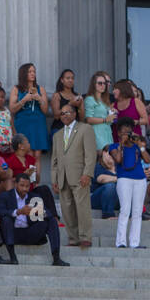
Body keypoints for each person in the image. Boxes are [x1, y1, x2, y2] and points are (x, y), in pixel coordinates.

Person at [0, 171, 69, 266]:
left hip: (30, 233)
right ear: (15, 184)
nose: (25, 189)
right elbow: (0, 211)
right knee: (6, 219)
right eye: (22, 185)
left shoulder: (34, 197)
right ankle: (12, 257)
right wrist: (18, 212)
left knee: (51, 221)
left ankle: (56, 258)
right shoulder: (5, 196)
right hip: (12, 233)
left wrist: (40, 212)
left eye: (27, 186)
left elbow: (49, 213)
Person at [51, 103, 97, 248]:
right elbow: (54, 160)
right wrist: (54, 179)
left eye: (68, 112)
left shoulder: (85, 129)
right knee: (66, 209)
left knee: (82, 207)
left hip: (80, 176)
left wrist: (88, 173)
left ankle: (85, 237)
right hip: (62, 177)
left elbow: (91, 154)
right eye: (62, 113)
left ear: (75, 114)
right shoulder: (57, 135)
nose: (65, 115)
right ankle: (73, 238)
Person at [109, 118, 150, 249]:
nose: (128, 134)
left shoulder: (137, 146)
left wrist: (140, 144)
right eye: (124, 132)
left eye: (129, 132)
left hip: (140, 179)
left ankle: (134, 243)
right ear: (119, 133)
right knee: (125, 210)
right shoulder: (114, 146)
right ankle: (120, 242)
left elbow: (148, 160)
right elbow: (119, 160)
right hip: (124, 179)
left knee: (137, 212)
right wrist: (122, 144)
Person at [11, 63, 50, 165]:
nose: (33, 74)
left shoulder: (40, 89)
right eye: (30, 72)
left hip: (38, 124)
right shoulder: (16, 89)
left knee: (37, 155)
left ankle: (36, 181)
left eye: (34, 71)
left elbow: (45, 110)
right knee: (27, 154)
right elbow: (12, 109)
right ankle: (28, 180)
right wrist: (24, 99)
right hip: (23, 123)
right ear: (23, 73)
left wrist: (39, 98)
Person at [83, 71, 117, 154]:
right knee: (102, 158)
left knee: (108, 158)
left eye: (104, 83)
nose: (103, 85)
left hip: (107, 132)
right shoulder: (89, 99)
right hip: (96, 133)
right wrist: (105, 119)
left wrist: (112, 113)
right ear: (93, 84)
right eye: (99, 83)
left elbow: (109, 120)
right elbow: (88, 119)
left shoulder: (105, 100)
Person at [91, 147, 119, 217]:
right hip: (97, 199)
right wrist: (121, 179)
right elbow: (101, 179)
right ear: (103, 153)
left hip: (116, 200)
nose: (111, 155)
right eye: (108, 153)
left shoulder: (120, 168)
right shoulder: (98, 166)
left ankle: (135, 213)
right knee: (110, 186)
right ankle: (108, 214)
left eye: (113, 153)